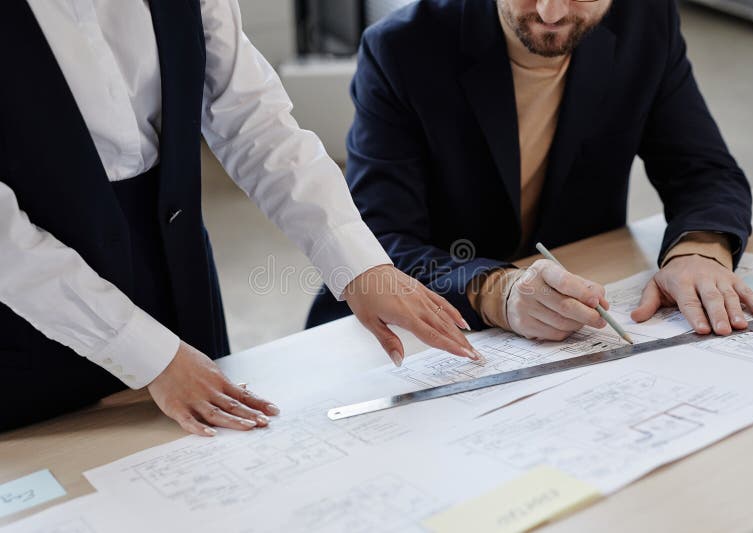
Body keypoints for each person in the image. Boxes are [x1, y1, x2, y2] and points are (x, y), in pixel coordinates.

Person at [0, 0, 481, 434]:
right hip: (32, 309)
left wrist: (359, 264)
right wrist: (149, 354)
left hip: (178, 274)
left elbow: (251, 119)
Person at [307, 0, 753, 342]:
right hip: (416, 322)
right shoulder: (402, 48)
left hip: (579, 317)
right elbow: (380, 239)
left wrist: (698, 252)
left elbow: (704, 170)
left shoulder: (647, 22)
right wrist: (498, 291)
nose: (550, 12)